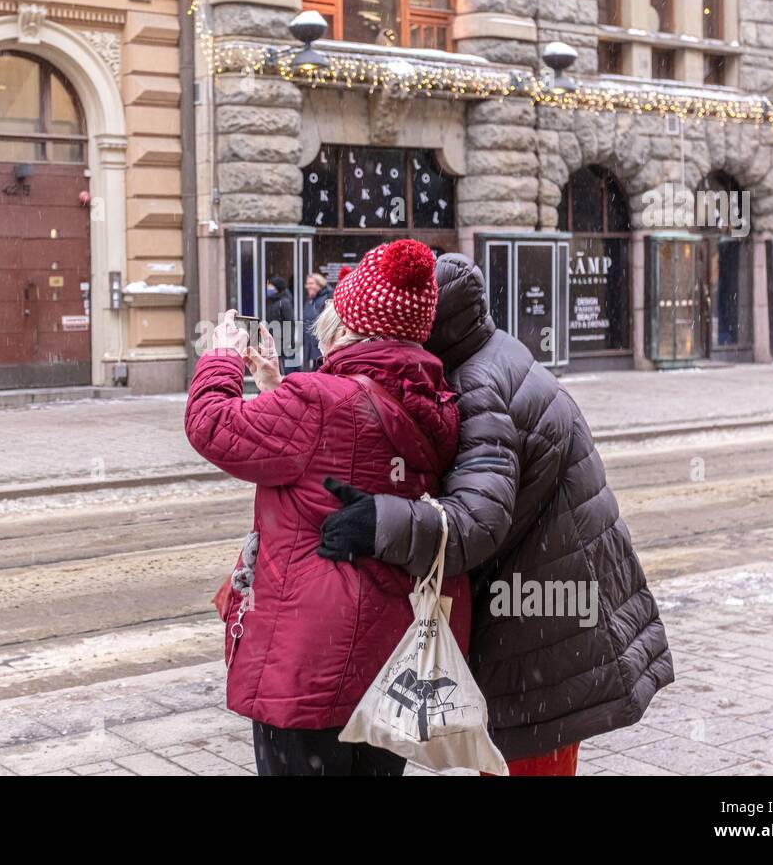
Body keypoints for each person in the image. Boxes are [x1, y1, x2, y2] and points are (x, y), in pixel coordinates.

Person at [316, 253, 674, 776]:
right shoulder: (492, 351)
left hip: (537, 631)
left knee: (526, 766)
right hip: (555, 610)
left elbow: (477, 521)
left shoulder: (476, 387)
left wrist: (379, 520)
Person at [185, 240, 462, 776]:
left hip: (310, 657)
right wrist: (277, 388)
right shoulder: (433, 397)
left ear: (349, 325)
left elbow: (212, 425)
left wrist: (221, 358)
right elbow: (349, 448)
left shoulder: (317, 400)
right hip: (388, 652)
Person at [300, 272, 332, 370]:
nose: (308, 286)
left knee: (320, 369)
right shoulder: (311, 300)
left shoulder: (327, 298)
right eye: (307, 284)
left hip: (321, 343)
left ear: (320, 284)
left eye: (311, 283)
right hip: (312, 342)